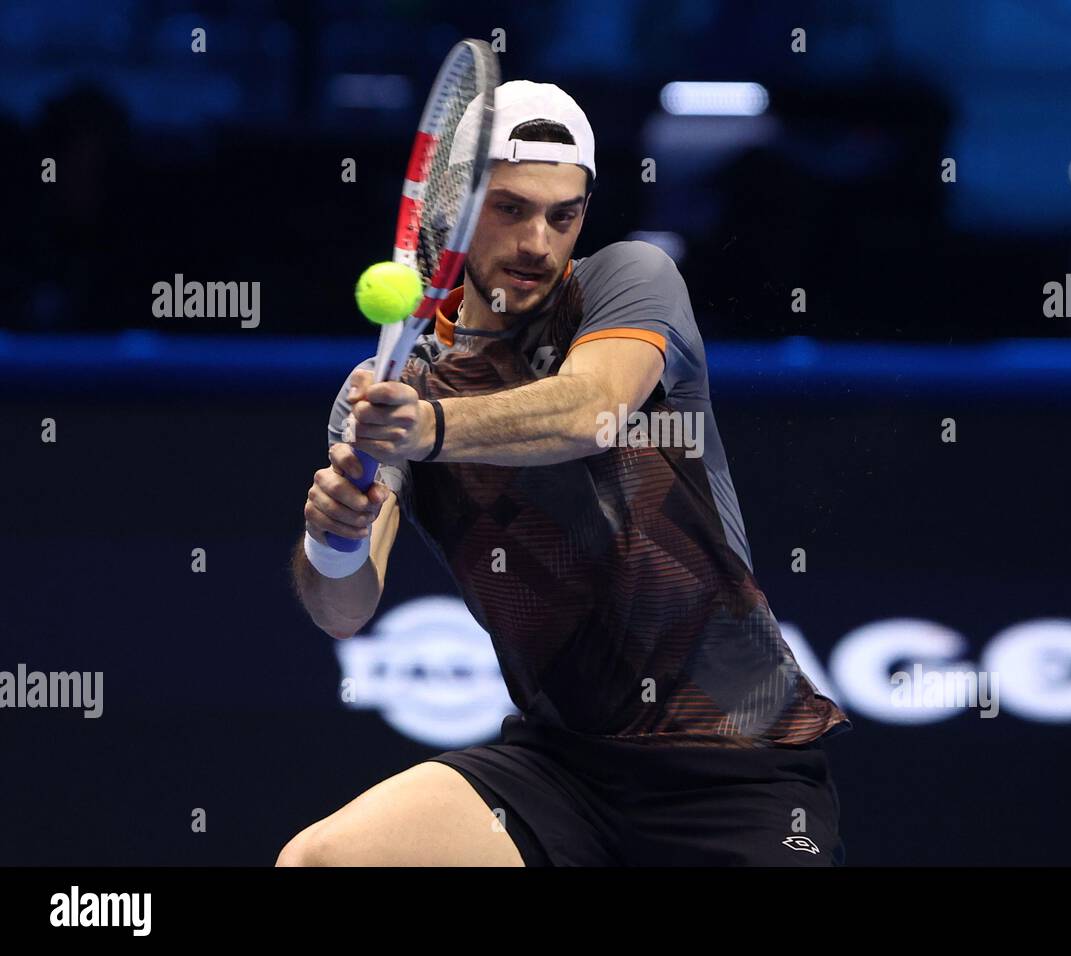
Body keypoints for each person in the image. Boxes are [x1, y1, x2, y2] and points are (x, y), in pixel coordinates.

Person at [281, 80, 852, 867]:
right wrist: (334, 538)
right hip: (560, 768)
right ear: (453, 206)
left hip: (735, 762)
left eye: (563, 214)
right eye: (511, 208)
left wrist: (428, 426)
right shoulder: (394, 385)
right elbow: (341, 611)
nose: (538, 244)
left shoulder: (627, 281)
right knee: (327, 862)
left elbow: (592, 410)